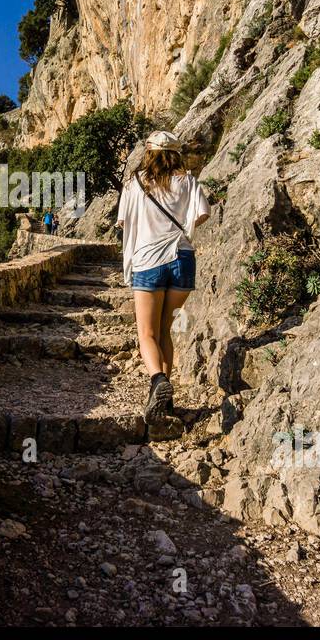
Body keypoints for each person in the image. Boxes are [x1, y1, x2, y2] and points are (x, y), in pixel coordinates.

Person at [116, 131, 210, 422]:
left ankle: (158, 380)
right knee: (165, 331)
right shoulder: (189, 181)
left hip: (148, 261)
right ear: (175, 154)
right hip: (182, 259)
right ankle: (164, 403)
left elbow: (122, 222)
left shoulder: (134, 183)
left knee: (147, 333)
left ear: (149, 153)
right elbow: (203, 214)